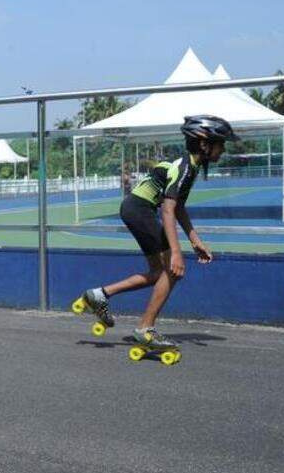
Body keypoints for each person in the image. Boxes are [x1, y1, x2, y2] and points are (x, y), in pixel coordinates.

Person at [75, 115, 240, 350]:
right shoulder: (184, 167)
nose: (223, 150)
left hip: (136, 208)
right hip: (140, 209)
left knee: (157, 273)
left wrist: (195, 240)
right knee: (173, 271)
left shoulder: (188, 167)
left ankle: (99, 294)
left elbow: (178, 207)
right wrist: (176, 252)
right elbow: (167, 210)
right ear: (204, 144)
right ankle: (145, 328)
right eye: (221, 144)